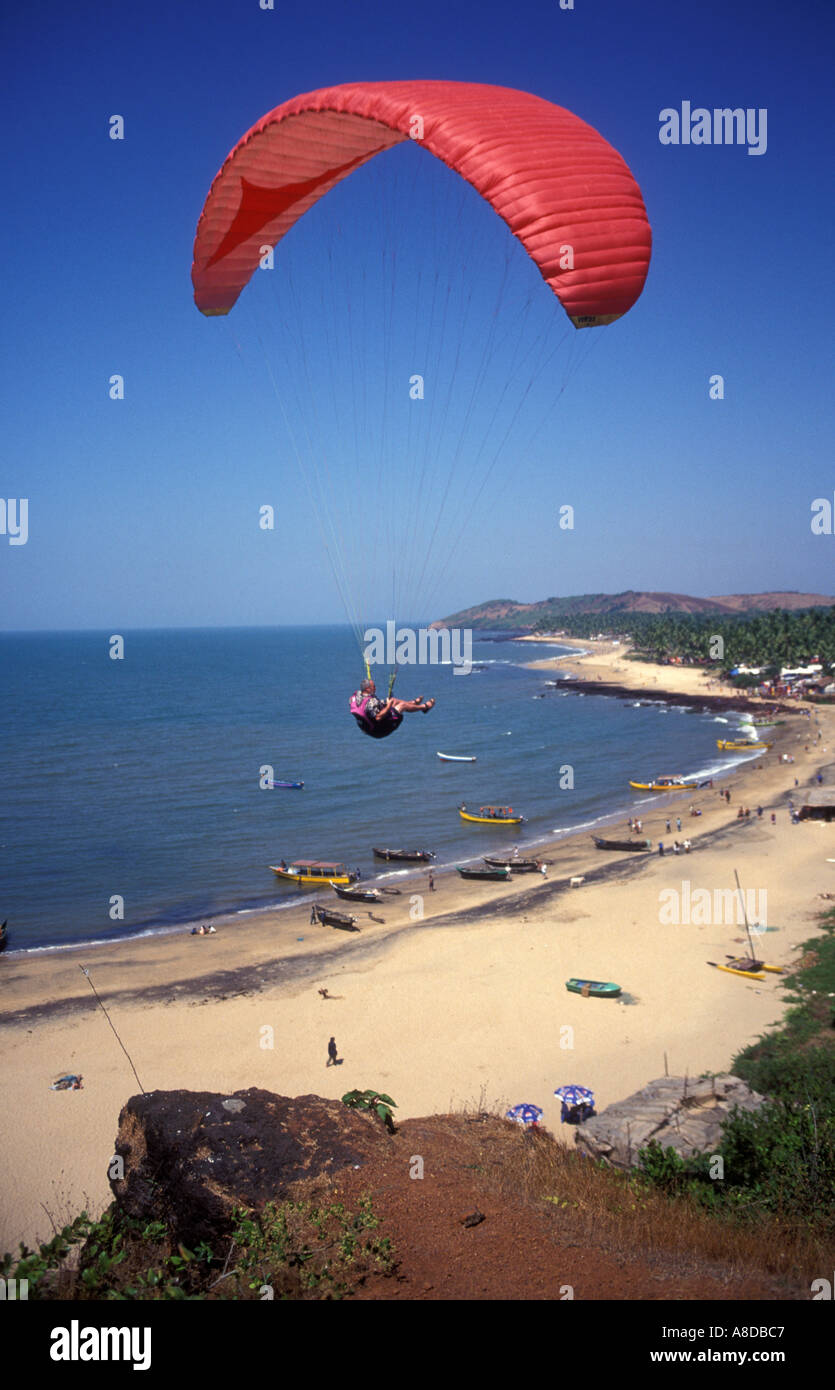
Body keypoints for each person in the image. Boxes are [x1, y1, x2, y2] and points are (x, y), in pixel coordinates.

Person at [349, 678, 435, 738]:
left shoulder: (356, 696)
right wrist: (389, 705)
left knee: (392, 700)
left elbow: (367, 708)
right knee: (402, 706)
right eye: (373, 686)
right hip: (380, 729)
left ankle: (412, 704)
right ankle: (424, 707)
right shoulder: (371, 703)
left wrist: (387, 703)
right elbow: (378, 717)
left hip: (368, 727)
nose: (375, 688)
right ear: (367, 689)